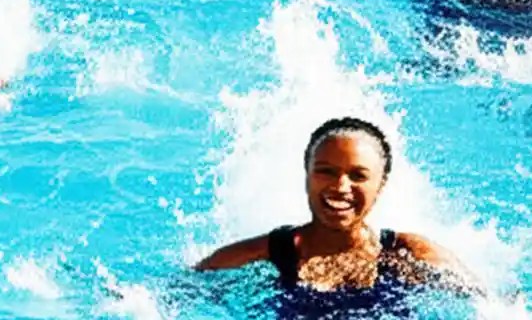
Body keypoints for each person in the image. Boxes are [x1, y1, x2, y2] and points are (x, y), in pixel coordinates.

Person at [197, 118, 477, 315]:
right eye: (326, 171)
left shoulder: (407, 254)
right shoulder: (268, 254)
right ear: (307, 174)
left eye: (358, 175)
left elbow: (488, 304)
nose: (340, 187)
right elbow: (183, 292)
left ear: (381, 184)